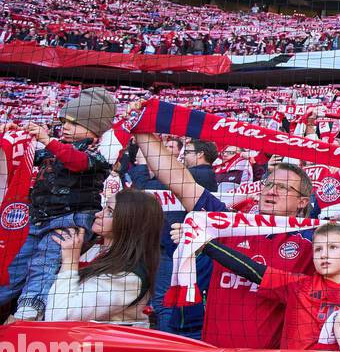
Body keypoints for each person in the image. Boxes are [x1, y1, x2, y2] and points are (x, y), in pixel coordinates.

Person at [133, 129, 316, 348]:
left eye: (284, 188)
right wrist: (142, 130)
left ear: (303, 202)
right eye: (268, 184)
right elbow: (180, 182)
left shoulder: (312, 244)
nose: (271, 191)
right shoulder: (230, 224)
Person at [1, 88, 118, 321]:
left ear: (94, 130)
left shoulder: (100, 154)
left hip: (70, 220)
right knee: (14, 261)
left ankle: (30, 310)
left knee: (44, 263)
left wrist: (48, 140)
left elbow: (77, 162)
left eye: (74, 123)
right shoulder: (52, 148)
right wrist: (12, 137)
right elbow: (21, 155)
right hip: (38, 218)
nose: (65, 127)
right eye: (64, 121)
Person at [192, 222, 340, 350]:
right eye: (318, 249)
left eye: (333, 248)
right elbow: (253, 271)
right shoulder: (298, 286)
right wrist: (207, 245)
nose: (323, 254)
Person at [124, 137, 219, 337]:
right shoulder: (200, 174)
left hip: (175, 247)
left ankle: (168, 343)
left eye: (188, 151)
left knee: (164, 301)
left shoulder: (200, 175)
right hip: (169, 244)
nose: (183, 155)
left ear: (200, 154)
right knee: (160, 300)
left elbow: (144, 192)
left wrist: (142, 165)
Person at [45, 188, 163, 326]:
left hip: (107, 345)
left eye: (110, 212)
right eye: (104, 207)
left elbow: (58, 316)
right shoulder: (93, 247)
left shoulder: (128, 276)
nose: (98, 214)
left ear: (129, 222)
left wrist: (70, 261)